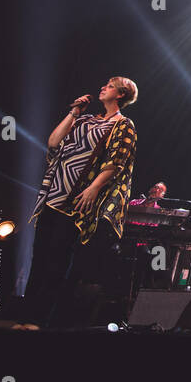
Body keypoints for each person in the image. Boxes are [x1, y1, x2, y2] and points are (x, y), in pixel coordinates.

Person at [19, 76, 139, 328]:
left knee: (57, 259)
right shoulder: (85, 119)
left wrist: (94, 187)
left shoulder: (123, 124)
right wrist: (73, 112)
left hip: (78, 199)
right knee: (38, 257)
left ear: (120, 94)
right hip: (54, 194)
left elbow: (118, 161)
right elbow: (53, 143)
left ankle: (40, 319)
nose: (103, 87)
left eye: (109, 85)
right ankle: (25, 317)